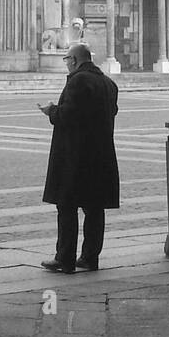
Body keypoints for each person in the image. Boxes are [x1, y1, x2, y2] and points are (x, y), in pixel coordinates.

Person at [37, 43, 119, 273]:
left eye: (67, 60)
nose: (67, 65)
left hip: (76, 156)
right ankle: (90, 258)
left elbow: (68, 115)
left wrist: (52, 110)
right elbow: (111, 112)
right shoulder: (108, 83)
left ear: (73, 60)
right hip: (101, 155)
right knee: (94, 208)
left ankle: (65, 258)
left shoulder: (78, 81)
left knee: (67, 206)